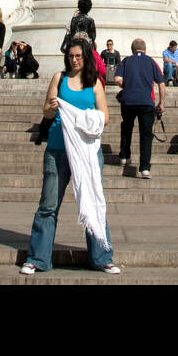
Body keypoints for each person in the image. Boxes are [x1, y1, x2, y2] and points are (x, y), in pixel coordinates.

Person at [21, 38, 118, 275]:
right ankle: (38, 258)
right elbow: (46, 111)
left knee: (93, 201)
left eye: (78, 56)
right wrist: (54, 108)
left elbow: (105, 116)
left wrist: (83, 117)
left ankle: (101, 257)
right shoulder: (58, 78)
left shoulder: (95, 82)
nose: (74, 60)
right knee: (48, 204)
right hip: (57, 148)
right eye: (71, 56)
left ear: (86, 58)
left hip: (86, 151)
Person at [115, 38, 165, 179]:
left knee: (127, 128)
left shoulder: (126, 61)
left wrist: (128, 85)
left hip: (128, 100)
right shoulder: (151, 61)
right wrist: (161, 103)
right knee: (146, 135)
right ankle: (144, 168)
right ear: (145, 49)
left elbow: (117, 79)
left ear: (132, 50)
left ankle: (124, 156)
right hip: (146, 102)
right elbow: (161, 83)